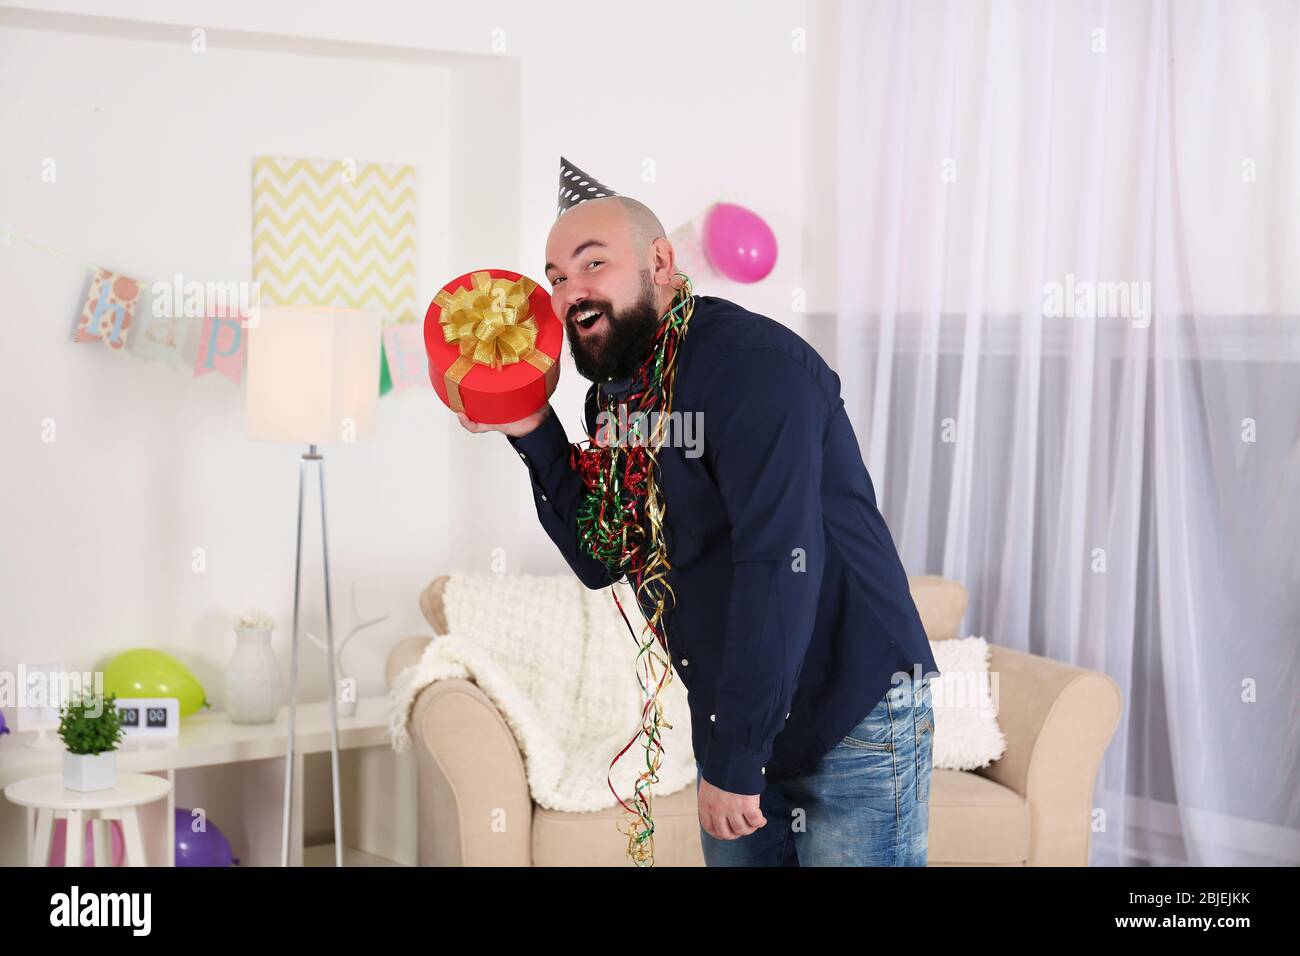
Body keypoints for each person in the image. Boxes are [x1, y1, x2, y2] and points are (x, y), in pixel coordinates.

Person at [457, 169, 939, 866]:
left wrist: (739, 758)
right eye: (556, 277)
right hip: (736, 713)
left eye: (594, 263)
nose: (571, 293)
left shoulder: (755, 368)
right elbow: (601, 558)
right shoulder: (616, 401)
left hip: (852, 710)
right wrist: (535, 429)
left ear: (660, 262)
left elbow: (777, 564)